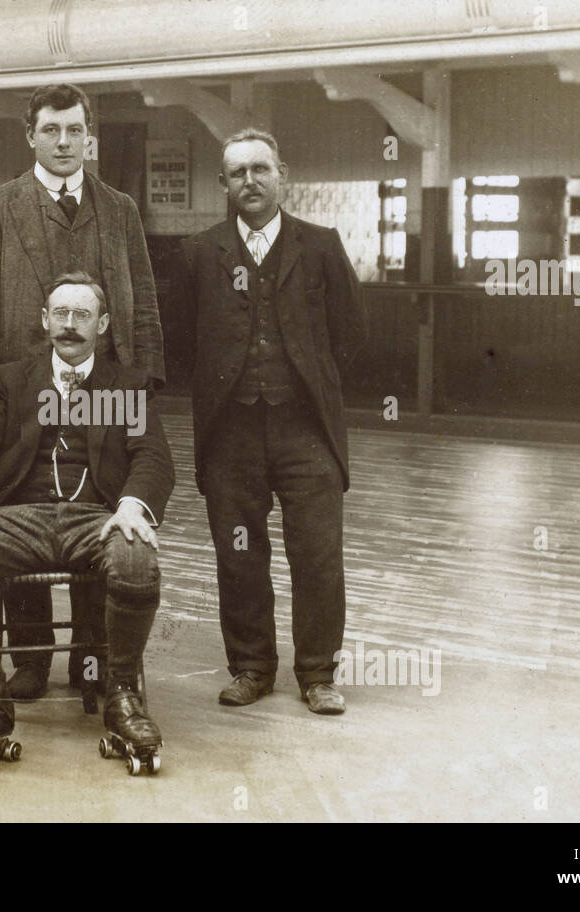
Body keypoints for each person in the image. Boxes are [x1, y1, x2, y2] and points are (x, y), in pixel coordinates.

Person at [0, 83, 166, 699]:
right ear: (31, 136)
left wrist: (143, 382)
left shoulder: (120, 207)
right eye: (51, 130)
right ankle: (31, 663)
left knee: (96, 497)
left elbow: (143, 301)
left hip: (104, 390)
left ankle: (93, 663)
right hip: (20, 392)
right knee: (25, 491)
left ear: (89, 137)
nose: (64, 141)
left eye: (74, 130)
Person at [0, 273, 174, 760]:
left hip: (96, 519)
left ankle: (122, 695)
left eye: (82, 315)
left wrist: (129, 505)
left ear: (102, 324)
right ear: (44, 320)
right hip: (21, 516)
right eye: (60, 314)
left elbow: (153, 457)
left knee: (136, 558)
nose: (69, 325)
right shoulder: (10, 380)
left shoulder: (126, 386)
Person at [177, 127, 364, 714]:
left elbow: (352, 336)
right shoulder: (199, 253)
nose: (250, 181)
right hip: (231, 433)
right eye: (238, 173)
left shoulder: (321, 246)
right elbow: (184, 341)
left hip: (306, 432)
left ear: (283, 175)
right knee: (238, 553)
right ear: (224, 184)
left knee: (317, 555)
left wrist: (309, 385)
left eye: (261, 169)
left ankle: (317, 674)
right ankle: (252, 667)